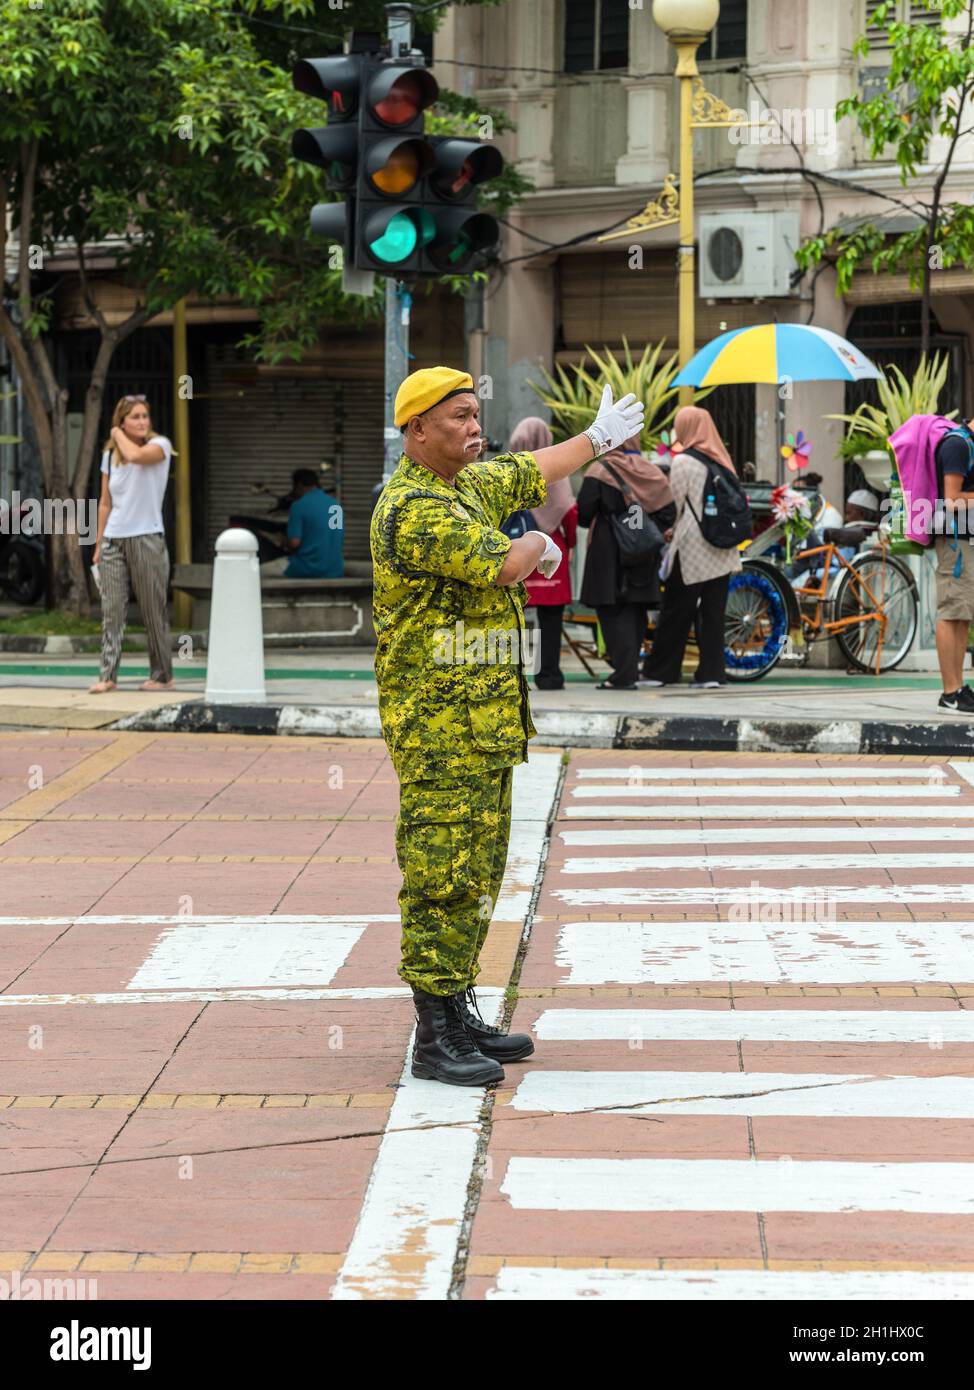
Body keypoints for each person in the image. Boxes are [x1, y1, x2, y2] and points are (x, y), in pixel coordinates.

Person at [370, 368, 644, 1086]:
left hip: (481, 722)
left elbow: (530, 469)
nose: (473, 426)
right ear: (417, 430)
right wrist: (540, 551)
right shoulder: (413, 510)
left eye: (475, 413)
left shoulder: (465, 485)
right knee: (441, 873)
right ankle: (434, 1036)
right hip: (438, 726)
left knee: (480, 869)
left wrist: (597, 438)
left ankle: (458, 1010)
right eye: (457, 416)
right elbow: (504, 564)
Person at [639, 405, 742, 690]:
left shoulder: (683, 461)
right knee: (713, 613)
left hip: (692, 548)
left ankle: (661, 671)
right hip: (722, 547)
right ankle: (712, 674)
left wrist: (667, 529)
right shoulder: (722, 458)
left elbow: (675, 505)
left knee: (676, 609)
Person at [89, 395, 175, 694]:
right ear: (123, 420)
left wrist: (115, 433)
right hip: (114, 537)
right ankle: (107, 675)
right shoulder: (110, 456)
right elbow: (105, 502)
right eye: (135, 417)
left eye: (144, 416)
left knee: (153, 609)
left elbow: (137, 458)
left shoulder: (160, 446)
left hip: (147, 537)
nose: (142, 422)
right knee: (112, 609)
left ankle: (162, 675)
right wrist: (99, 544)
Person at [576, 432, 675, 690]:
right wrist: (645, 528)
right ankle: (629, 671)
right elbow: (669, 512)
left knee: (611, 612)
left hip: (608, 551)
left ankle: (624, 674)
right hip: (643, 552)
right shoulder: (651, 472)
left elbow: (584, 515)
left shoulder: (599, 470)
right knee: (636, 611)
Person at [509, 417, 578, 691]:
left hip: (517, 551)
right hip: (552, 553)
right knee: (551, 620)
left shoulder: (508, 473)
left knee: (510, 618)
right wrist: (570, 545)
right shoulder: (555, 469)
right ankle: (549, 676)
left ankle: (510, 677)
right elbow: (569, 512)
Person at [933, 416, 974, 713]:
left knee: (962, 613)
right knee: (951, 611)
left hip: (966, 540)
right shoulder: (958, 445)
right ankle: (949, 693)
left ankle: (958, 688)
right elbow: (952, 500)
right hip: (954, 541)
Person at [261, 467, 344, 578]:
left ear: (298, 485)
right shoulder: (336, 505)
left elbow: (294, 543)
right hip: (335, 569)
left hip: (307, 568)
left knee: (258, 571)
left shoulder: (298, 505)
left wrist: (283, 541)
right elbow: (336, 536)